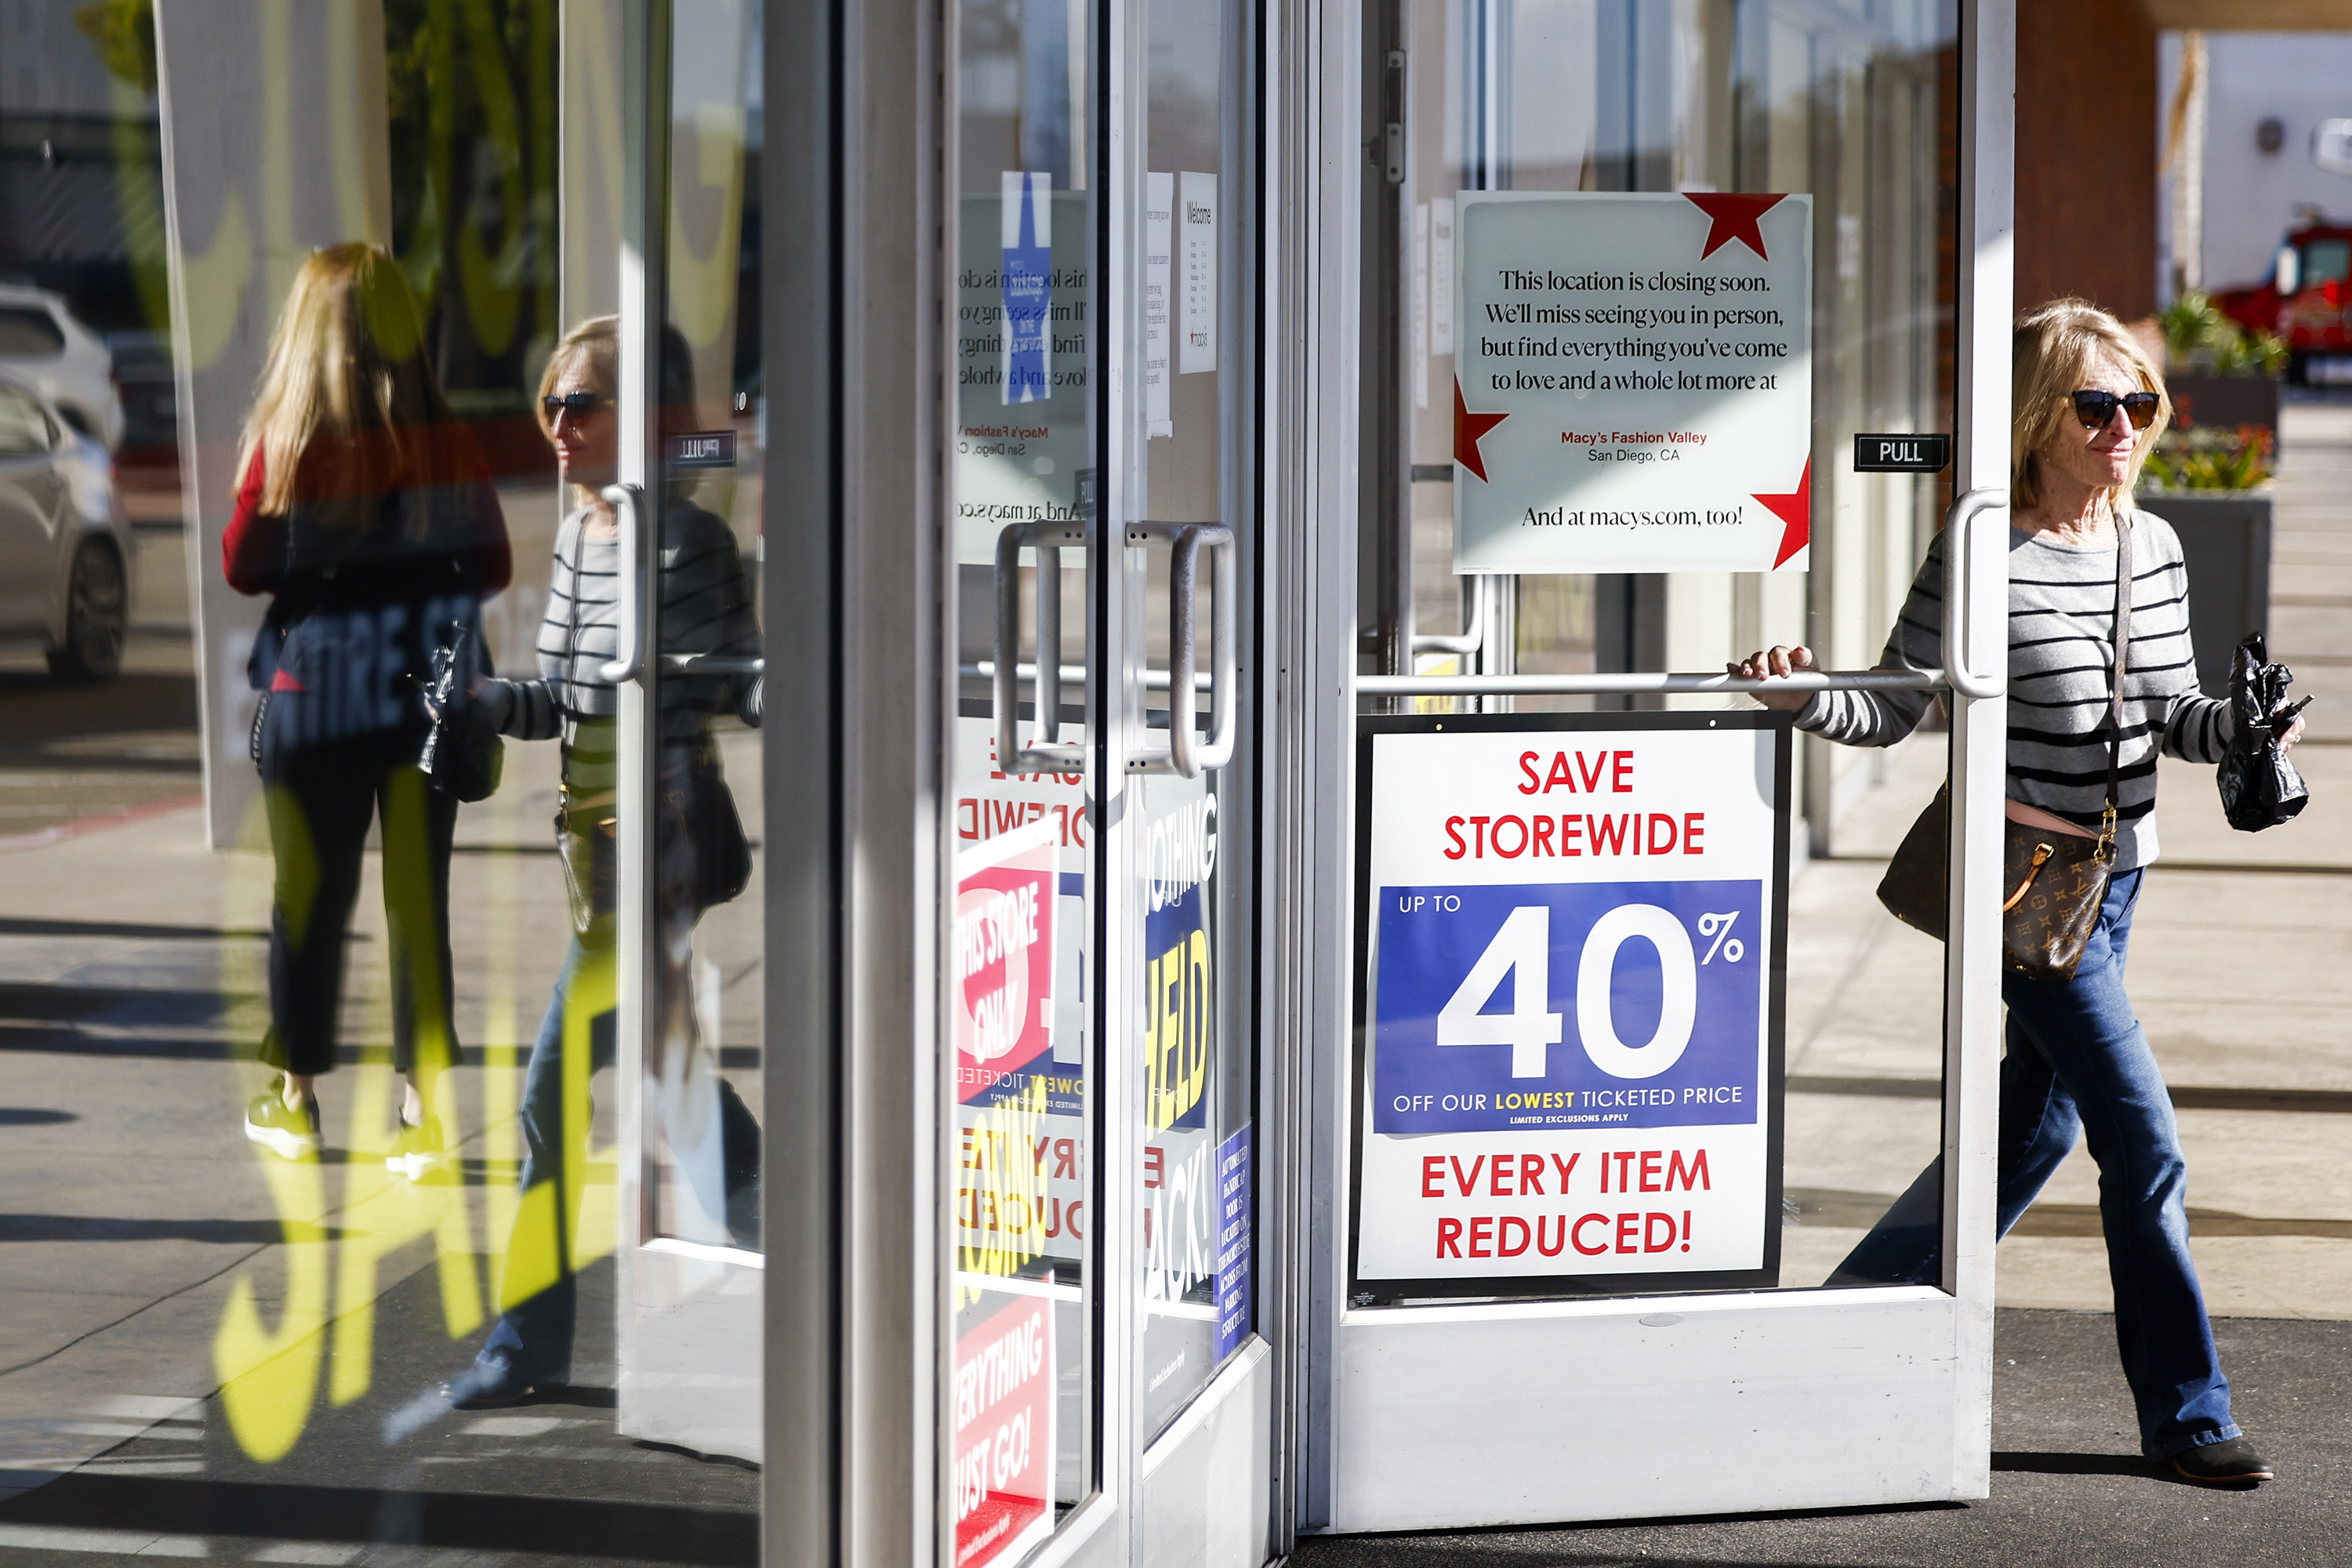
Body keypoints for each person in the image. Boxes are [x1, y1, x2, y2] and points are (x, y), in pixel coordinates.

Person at [1734, 298, 2300, 1490]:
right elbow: (1897, 701)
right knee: (2142, 1139)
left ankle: (1844, 1325)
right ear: (2041, 418)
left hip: (2118, 881)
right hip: (2020, 888)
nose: (2124, 428)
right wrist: (1802, 697)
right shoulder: (1984, 550)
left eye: (2139, 404)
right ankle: (2190, 1415)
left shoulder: (2153, 544)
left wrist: (2244, 728)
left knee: (2033, 1127)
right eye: (2097, 407)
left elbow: (2172, 715)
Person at [442, 316, 762, 1409]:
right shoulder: (580, 535)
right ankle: (817, 1270)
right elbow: (562, 699)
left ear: (645, 418)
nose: (559, 425)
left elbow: (743, 680)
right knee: (678, 1084)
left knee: (547, 1095)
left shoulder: (689, 543)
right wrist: (486, 702)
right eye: (550, 403)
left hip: (658, 851)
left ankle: (526, 1345)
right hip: (594, 853)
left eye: (581, 404)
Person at [227, 243, 510, 1174]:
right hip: (422, 699)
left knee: (306, 899)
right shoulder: (442, 440)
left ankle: (296, 1102)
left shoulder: (288, 443)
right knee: (417, 902)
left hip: (313, 698)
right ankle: (421, 1119)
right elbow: (496, 563)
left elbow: (241, 564)